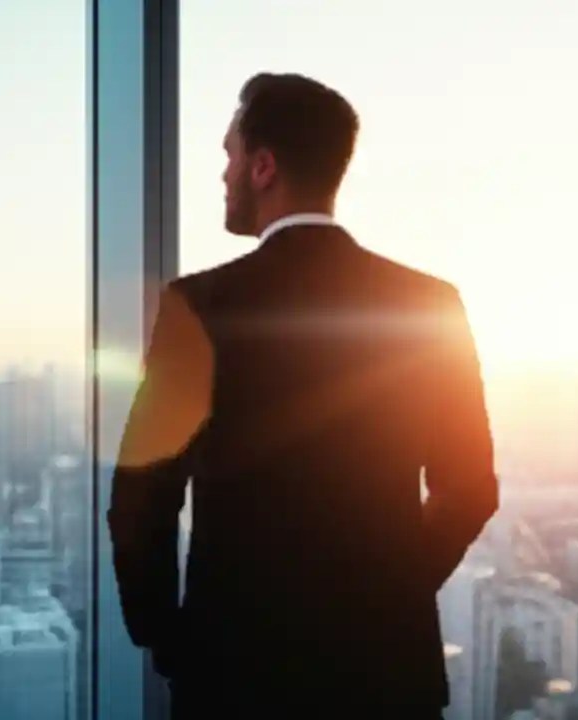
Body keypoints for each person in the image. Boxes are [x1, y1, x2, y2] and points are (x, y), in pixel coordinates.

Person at [107, 72, 499, 718]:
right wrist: (388, 594)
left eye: (230, 154)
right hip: (385, 680)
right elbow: (471, 489)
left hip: (235, 682)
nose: (224, 175)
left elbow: (139, 502)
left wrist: (172, 641)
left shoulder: (198, 308)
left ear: (264, 168)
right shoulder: (430, 305)